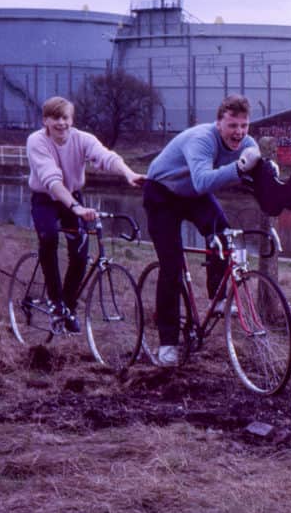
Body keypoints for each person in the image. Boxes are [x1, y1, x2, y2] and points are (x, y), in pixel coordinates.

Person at [144, 95, 261, 367]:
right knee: (171, 266)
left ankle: (218, 298)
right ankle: (168, 344)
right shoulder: (202, 139)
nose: (239, 132)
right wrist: (240, 167)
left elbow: (256, 173)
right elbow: (201, 182)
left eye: (244, 125)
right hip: (162, 192)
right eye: (232, 125)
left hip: (191, 195)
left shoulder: (248, 143)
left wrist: (268, 174)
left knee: (222, 232)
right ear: (219, 123)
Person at [26, 95, 145, 332]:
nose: (61, 123)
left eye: (65, 118)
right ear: (45, 121)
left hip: (73, 196)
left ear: (72, 119)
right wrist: (76, 208)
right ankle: (55, 301)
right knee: (49, 237)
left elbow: (106, 156)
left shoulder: (82, 139)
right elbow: (51, 179)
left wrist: (128, 173)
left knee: (80, 254)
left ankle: (67, 307)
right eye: (55, 118)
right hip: (46, 199)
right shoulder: (36, 141)